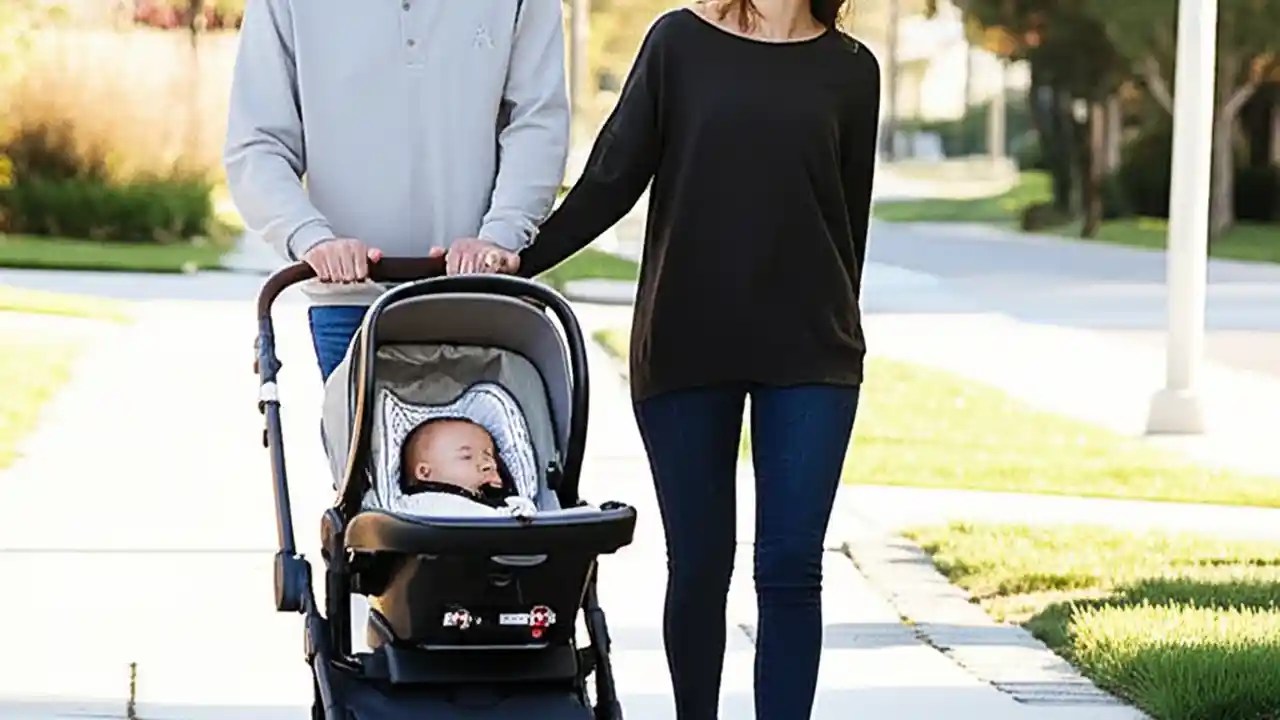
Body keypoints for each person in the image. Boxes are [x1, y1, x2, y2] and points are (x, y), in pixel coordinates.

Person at [516, 0, 879, 717]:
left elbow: (850, 218)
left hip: (812, 352)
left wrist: (838, 318)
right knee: (701, 567)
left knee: (790, 570)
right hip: (686, 339)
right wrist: (519, 261)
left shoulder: (852, 69)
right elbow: (612, 178)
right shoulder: (679, 43)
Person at [224, 0, 570, 381]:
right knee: (361, 440)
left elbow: (538, 122)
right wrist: (311, 238)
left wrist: (501, 235)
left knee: (490, 438)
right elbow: (257, 145)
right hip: (350, 300)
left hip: (478, 296)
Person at [399, 418, 511, 516]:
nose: (489, 464)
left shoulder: (501, 507)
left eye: (490, 457)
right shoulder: (423, 505)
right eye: (467, 457)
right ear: (425, 473)